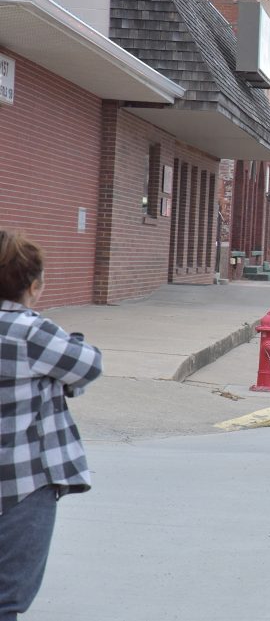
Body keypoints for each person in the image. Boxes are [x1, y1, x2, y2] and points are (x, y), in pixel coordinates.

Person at [0, 230, 102, 621]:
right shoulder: (32, 331)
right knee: (7, 596)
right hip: (22, 483)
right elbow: (87, 365)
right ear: (33, 286)